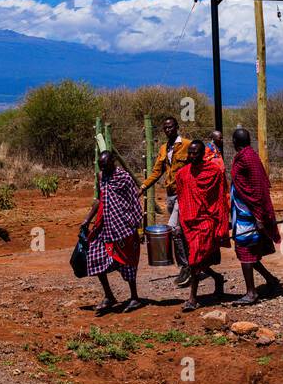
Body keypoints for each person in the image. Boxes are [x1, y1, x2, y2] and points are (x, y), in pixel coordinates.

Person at [80, 150, 146, 316]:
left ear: (113, 162)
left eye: (105, 165)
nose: (102, 168)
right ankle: (109, 296)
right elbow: (100, 199)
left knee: (127, 261)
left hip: (124, 226)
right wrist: (87, 219)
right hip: (105, 225)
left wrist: (137, 227)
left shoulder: (123, 177)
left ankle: (134, 297)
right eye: (100, 166)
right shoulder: (102, 176)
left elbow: (134, 201)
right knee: (95, 256)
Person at [229, 127, 283, 305]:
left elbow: (258, 188)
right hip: (244, 210)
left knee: (245, 249)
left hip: (250, 213)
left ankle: (251, 293)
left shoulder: (247, 158)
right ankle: (270, 279)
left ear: (235, 142)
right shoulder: (249, 155)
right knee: (249, 252)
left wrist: (259, 215)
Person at [173, 139, 229, 311]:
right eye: (190, 152)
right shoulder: (182, 174)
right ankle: (217, 278)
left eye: (195, 152)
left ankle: (192, 298)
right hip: (189, 221)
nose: (192, 155)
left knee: (195, 259)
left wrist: (220, 221)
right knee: (196, 260)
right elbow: (182, 197)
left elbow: (220, 197)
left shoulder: (214, 172)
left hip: (207, 220)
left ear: (203, 153)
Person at [141, 116, 193, 286]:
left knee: (174, 230)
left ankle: (185, 267)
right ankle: (192, 264)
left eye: (171, 127)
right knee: (182, 231)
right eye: (165, 128)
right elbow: (157, 172)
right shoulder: (164, 149)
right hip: (170, 195)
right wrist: (143, 187)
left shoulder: (186, 144)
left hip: (184, 194)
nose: (168, 130)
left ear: (177, 127)